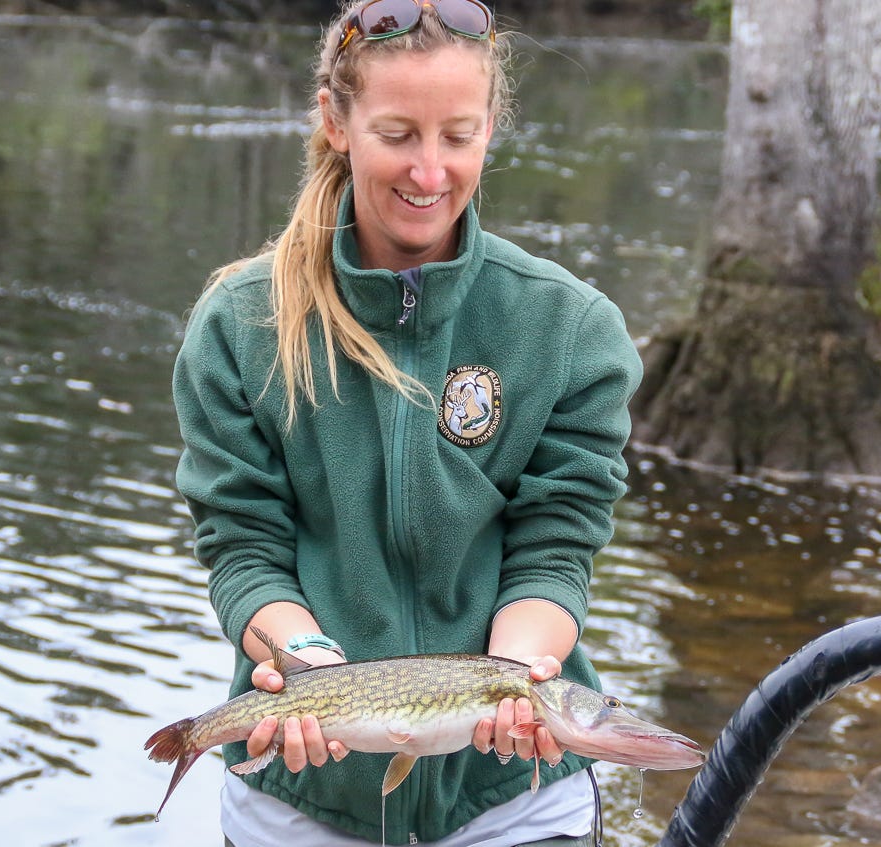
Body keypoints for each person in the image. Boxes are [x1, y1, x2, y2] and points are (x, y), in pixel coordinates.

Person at [171, 1, 643, 844]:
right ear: (336, 121)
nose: (430, 171)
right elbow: (243, 547)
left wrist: (517, 678)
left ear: (491, 128)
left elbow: (555, 545)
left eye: (458, 136)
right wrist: (305, 662)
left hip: (513, 801)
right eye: (397, 135)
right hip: (300, 802)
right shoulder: (239, 327)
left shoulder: (572, 329)